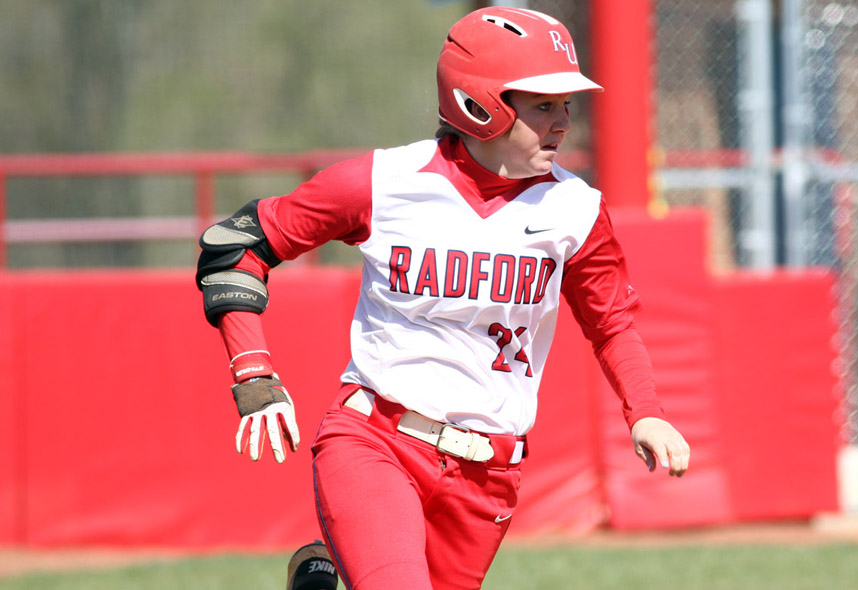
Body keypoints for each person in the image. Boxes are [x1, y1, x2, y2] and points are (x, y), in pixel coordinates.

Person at [196, 7, 691, 590]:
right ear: (479, 104)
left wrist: (647, 411)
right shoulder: (384, 183)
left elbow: (611, 323)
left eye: (566, 104)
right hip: (376, 439)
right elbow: (236, 247)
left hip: (488, 473)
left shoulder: (576, 211)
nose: (563, 122)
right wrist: (253, 371)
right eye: (542, 105)